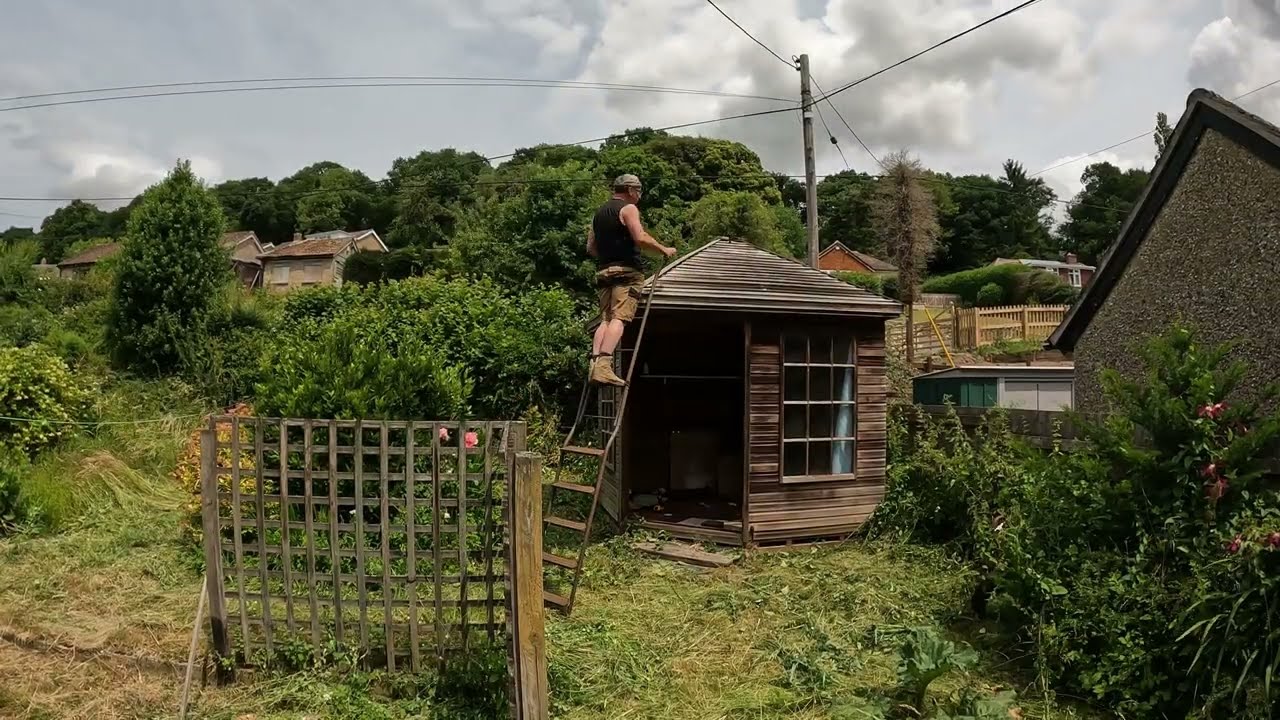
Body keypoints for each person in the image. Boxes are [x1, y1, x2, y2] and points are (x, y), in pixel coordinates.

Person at [586, 174, 676, 386]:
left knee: (605, 319)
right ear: (630, 190)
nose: (640, 195)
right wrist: (664, 249)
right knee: (620, 318)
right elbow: (640, 237)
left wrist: (610, 255)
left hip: (604, 271)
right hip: (627, 272)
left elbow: (590, 248)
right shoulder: (628, 209)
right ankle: (605, 366)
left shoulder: (598, 215)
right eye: (639, 191)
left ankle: (595, 364)